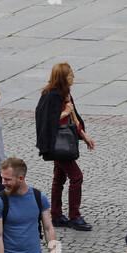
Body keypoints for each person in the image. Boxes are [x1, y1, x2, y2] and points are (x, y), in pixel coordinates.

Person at [35, 62, 95, 231]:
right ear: (62, 78)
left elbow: (74, 118)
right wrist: (66, 112)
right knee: (77, 177)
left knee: (59, 178)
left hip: (65, 142)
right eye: (70, 75)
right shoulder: (50, 95)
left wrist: (84, 136)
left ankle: (56, 214)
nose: (73, 77)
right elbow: (47, 121)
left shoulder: (65, 94)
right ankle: (74, 216)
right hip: (57, 144)